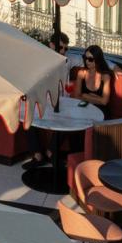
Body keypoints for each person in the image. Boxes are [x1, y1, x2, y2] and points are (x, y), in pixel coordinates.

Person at [27, 32, 74, 167]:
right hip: (44, 99)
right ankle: (37, 154)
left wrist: (116, 68)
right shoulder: (41, 59)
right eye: (61, 48)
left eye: (66, 48)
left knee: (67, 120)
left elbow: (96, 61)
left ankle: (51, 152)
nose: (64, 51)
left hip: (63, 101)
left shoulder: (68, 60)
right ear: (51, 45)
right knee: (27, 118)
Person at [75, 45, 115, 110]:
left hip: (100, 111)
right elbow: (76, 97)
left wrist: (85, 96)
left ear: (97, 59)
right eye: (85, 58)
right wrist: (98, 99)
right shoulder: (81, 73)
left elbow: (104, 102)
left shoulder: (105, 76)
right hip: (84, 109)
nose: (87, 61)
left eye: (90, 59)